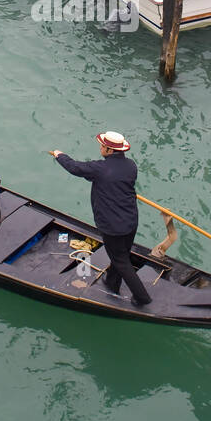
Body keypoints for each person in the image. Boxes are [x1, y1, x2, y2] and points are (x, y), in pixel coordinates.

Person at [50, 131, 151, 306]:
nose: (100, 148)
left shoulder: (100, 169)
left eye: (102, 146)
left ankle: (142, 298)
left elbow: (75, 168)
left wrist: (60, 155)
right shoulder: (131, 166)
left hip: (113, 226)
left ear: (109, 150)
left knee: (121, 261)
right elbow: (103, 176)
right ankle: (112, 282)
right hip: (131, 221)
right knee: (122, 255)